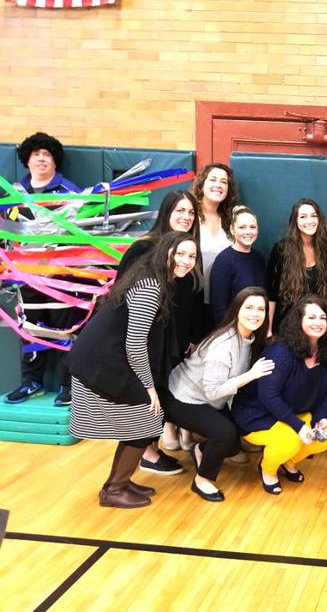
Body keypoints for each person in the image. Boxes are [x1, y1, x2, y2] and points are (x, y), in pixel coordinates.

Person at [67, 232, 198, 508]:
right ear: (166, 252)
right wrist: (149, 388)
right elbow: (135, 344)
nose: (186, 261)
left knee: (143, 424)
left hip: (106, 357)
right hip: (101, 360)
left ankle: (119, 482)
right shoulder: (151, 286)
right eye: (181, 254)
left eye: (192, 256)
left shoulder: (157, 279)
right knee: (146, 420)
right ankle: (114, 489)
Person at [116, 189, 203, 471]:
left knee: (161, 396)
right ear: (166, 212)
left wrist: (190, 337)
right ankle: (146, 454)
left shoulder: (188, 248)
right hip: (147, 340)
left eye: (190, 212)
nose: (186, 216)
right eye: (180, 210)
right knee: (145, 398)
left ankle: (148, 450)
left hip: (173, 340)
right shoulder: (145, 248)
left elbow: (191, 298)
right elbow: (121, 295)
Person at [166, 287, 274, 502]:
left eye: (261, 309)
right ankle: (203, 480)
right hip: (182, 397)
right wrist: (251, 375)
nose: (255, 313)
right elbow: (213, 391)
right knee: (224, 434)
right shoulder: (224, 346)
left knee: (233, 441)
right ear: (237, 310)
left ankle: (200, 451)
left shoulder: (250, 338)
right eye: (249, 307)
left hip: (209, 399)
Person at [232, 295, 327, 495]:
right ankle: (267, 469)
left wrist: (321, 420)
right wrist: (299, 426)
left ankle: (288, 461)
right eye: (311, 318)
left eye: (322, 318)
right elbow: (269, 396)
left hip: (291, 411)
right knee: (290, 440)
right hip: (257, 414)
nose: (318, 323)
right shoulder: (281, 352)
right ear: (299, 321)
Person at [4, 132, 82, 406]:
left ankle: (68, 385)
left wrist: (56, 265)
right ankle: (31, 383)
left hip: (63, 278)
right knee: (31, 329)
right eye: (35, 154)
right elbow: (7, 237)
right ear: (27, 160)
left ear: (55, 161)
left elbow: (80, 238)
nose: (40, 158)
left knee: (65, 330)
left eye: (46, 154)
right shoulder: (13, 194)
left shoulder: (70, 193)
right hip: (25, 277)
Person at [265, 198, 327, 334]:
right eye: (303, 217)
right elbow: (271, 295)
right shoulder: (281, 250)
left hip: (316, 328)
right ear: (295, 221)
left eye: (314, 216)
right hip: (286, 327)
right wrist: (268, 331)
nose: (309, 221)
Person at [189, 163, 238, 322]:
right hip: (192, 300)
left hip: (222, 303)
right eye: (213, 179)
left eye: (224, 182)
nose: (218, 185)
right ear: (202, 183)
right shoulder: (190, 217)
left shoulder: (230, 220)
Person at [209, 206, 266, 325]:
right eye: (242, 227)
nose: (248, 232)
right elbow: (219, 308)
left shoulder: (259, 258)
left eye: (252, 227)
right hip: (232, 330)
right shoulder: (224, 261)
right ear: (232, 230)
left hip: (255, 327)